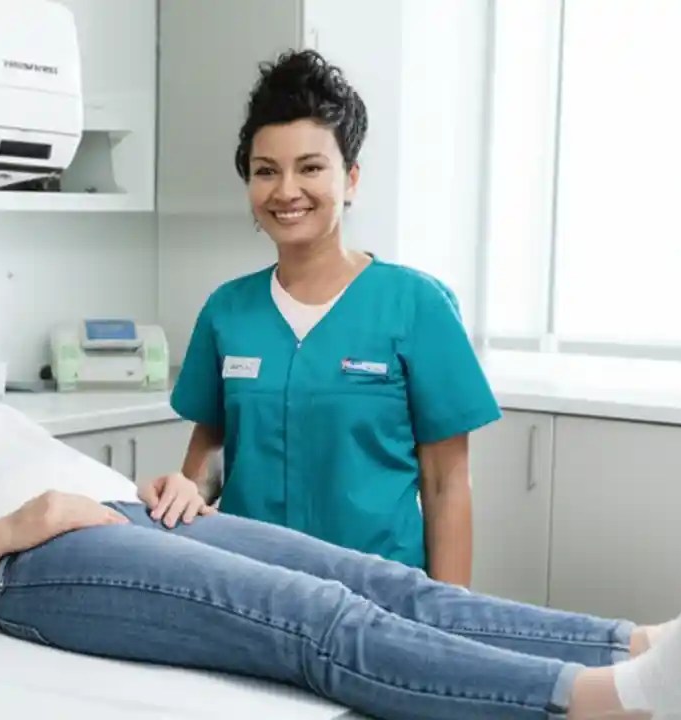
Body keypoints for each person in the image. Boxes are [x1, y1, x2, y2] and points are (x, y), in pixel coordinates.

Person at [0, 280, 681, 720]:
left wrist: (157, 484)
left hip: (130, 514)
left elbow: (79, 480)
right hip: (35, 567)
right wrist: (8, 531)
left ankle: (627, 642)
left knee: (383, 580)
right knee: (319, 624)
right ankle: (607, 705)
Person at [162, 48, 498, 584]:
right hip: (252, 591)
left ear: (352, 178)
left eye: (311, 168)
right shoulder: (228, 311)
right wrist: (187, 488)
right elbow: (213, 456)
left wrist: (449, 618)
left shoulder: (417, 306)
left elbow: (446, 483)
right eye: (265, 171)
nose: (286, 190)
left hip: (379, 598)